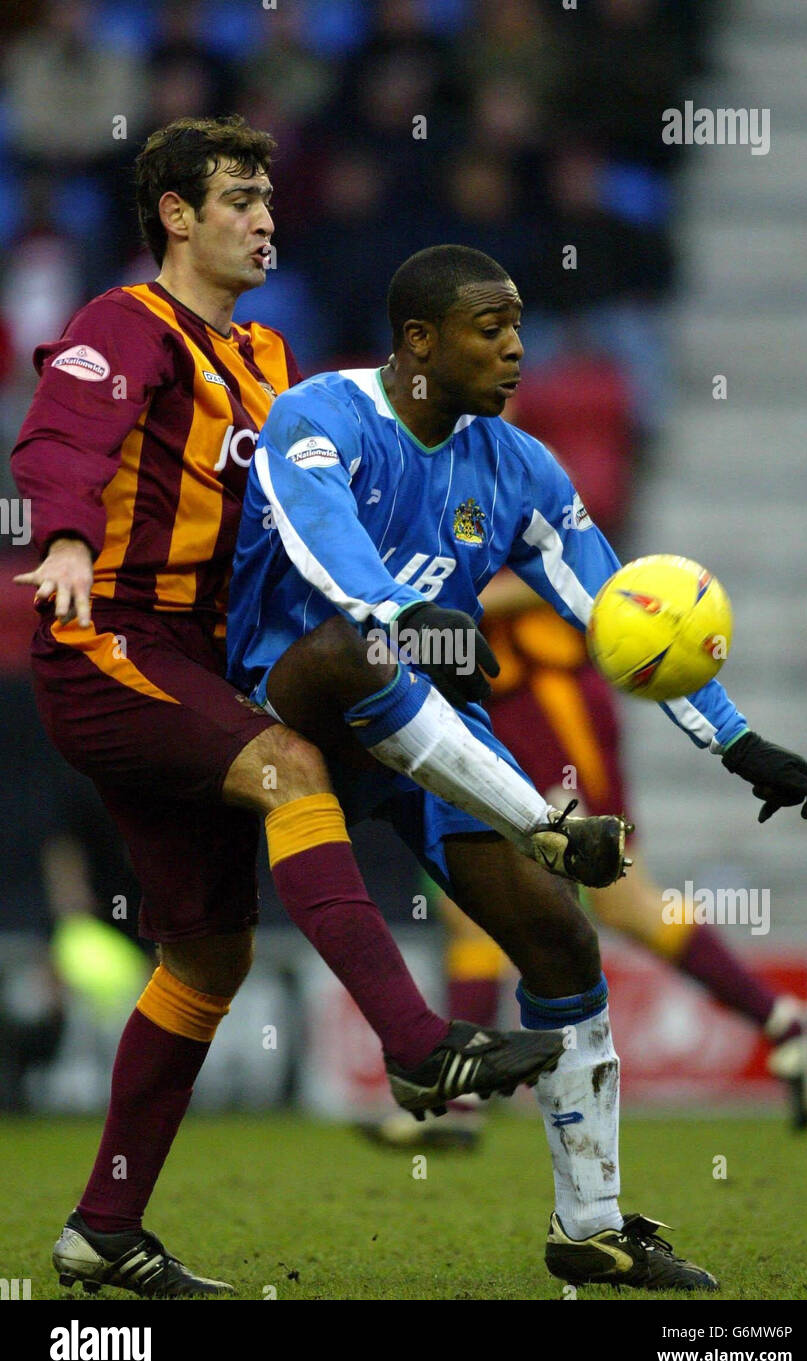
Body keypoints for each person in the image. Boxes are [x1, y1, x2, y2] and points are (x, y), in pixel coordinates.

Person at [10, 125, 585, 1299]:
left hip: (203, 665)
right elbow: (63, 434)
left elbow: (325, 507)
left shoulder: (270, 355)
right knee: (287, 766)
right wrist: (64, 531)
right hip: (108, 640)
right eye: (237, 200)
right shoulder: (126, 325)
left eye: (269, 197)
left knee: (207, 958)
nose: (265, 218)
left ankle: (105, 1228)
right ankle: (417, 1046)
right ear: (175, 216)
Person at [226, 243, 807, 1291]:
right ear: (417, 342)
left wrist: (731, 738)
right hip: (292, 696)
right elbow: (322, 550)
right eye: (488, 328)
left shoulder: (519, 467)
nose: (515, 348)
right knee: (370, 651)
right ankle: (539, 822)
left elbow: (613, 609)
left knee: (559, 937)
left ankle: (588, 1225)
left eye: (517, 325)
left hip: (424, 731)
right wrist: (407, 615)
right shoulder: (318, 417)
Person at [370, 573, 807, 1150]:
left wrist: (426, 607)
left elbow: (574, 570)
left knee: (616, 895)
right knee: (472, 901)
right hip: (485, 708)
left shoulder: (501, 485)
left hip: (549, 703)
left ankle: (784, 1021)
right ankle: (460, 1105)